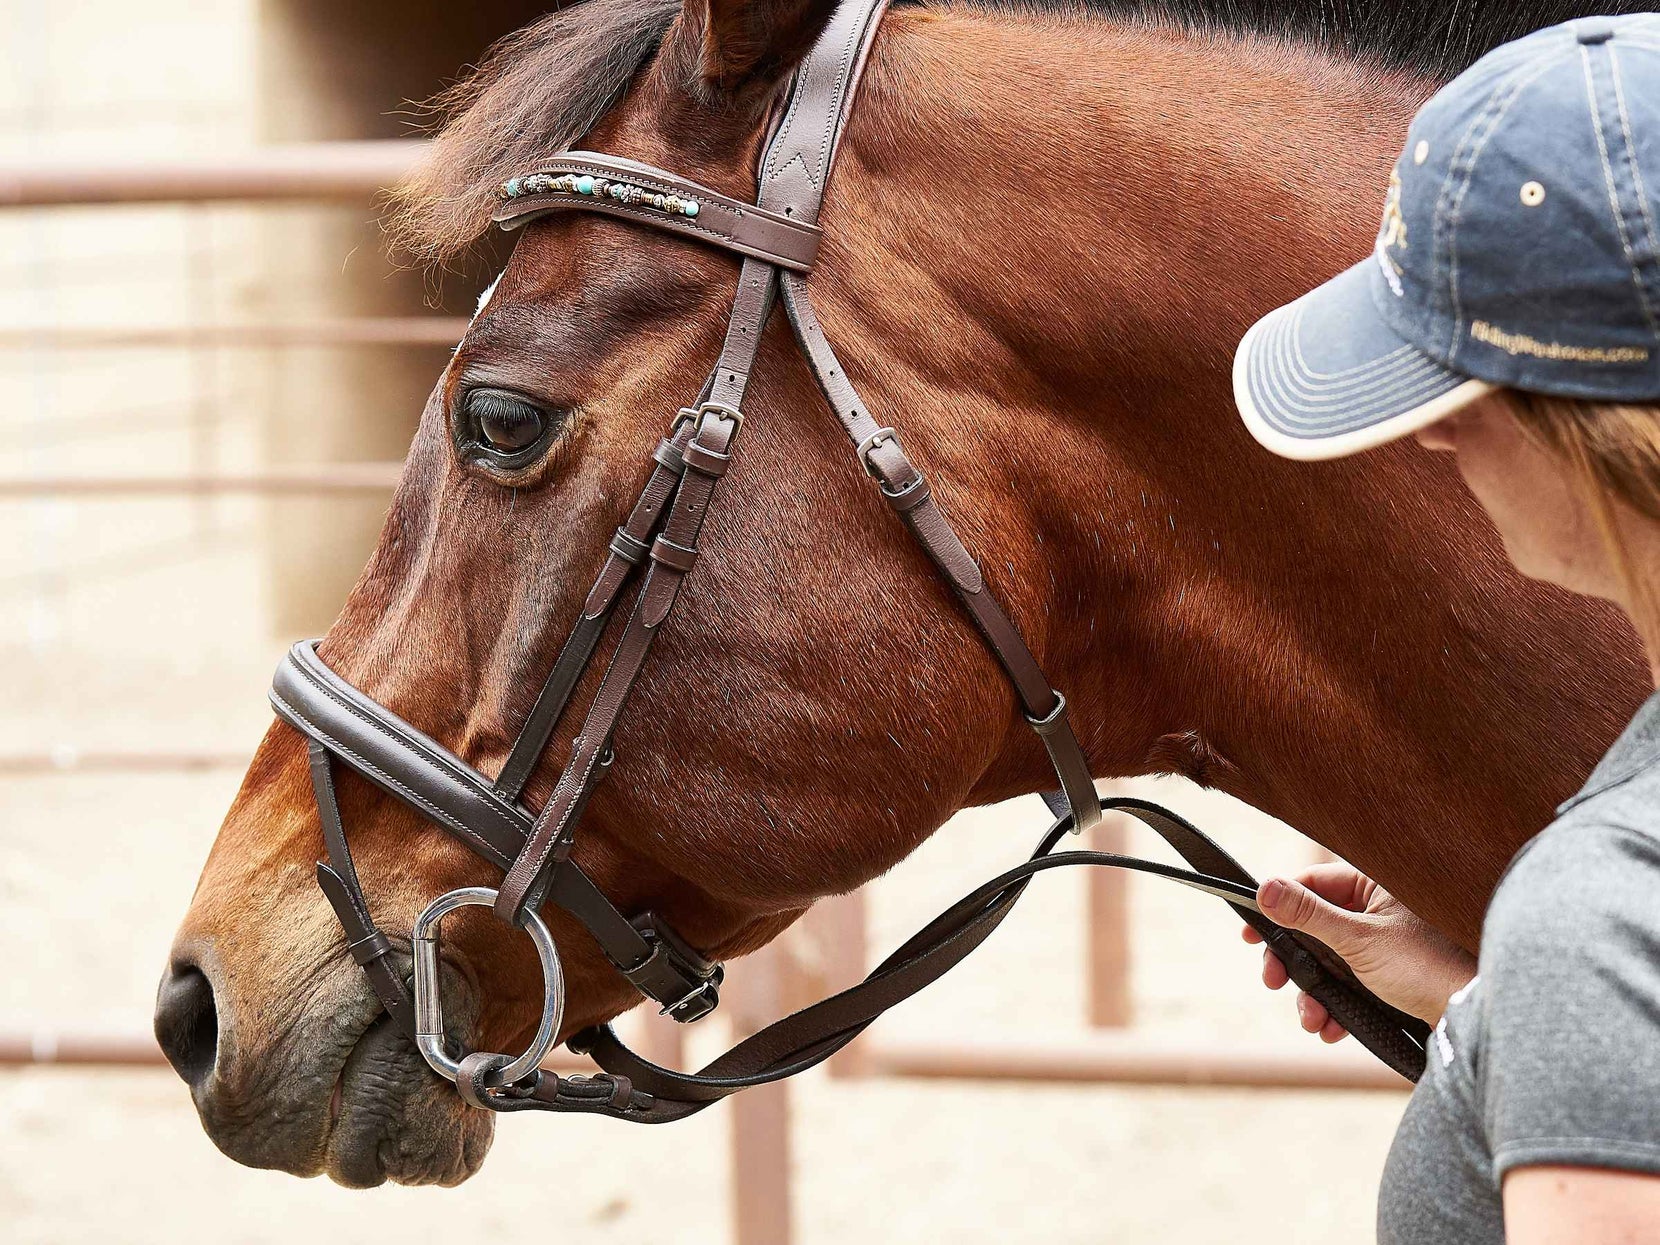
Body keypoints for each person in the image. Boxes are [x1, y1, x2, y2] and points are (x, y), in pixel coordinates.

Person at [1231, 13, 1660, 1243]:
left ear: (1594, 422)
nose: (1430, 434)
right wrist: (1505, 1027)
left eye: (1455, 385)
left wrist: (1573, 982)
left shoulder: (1604, 910)